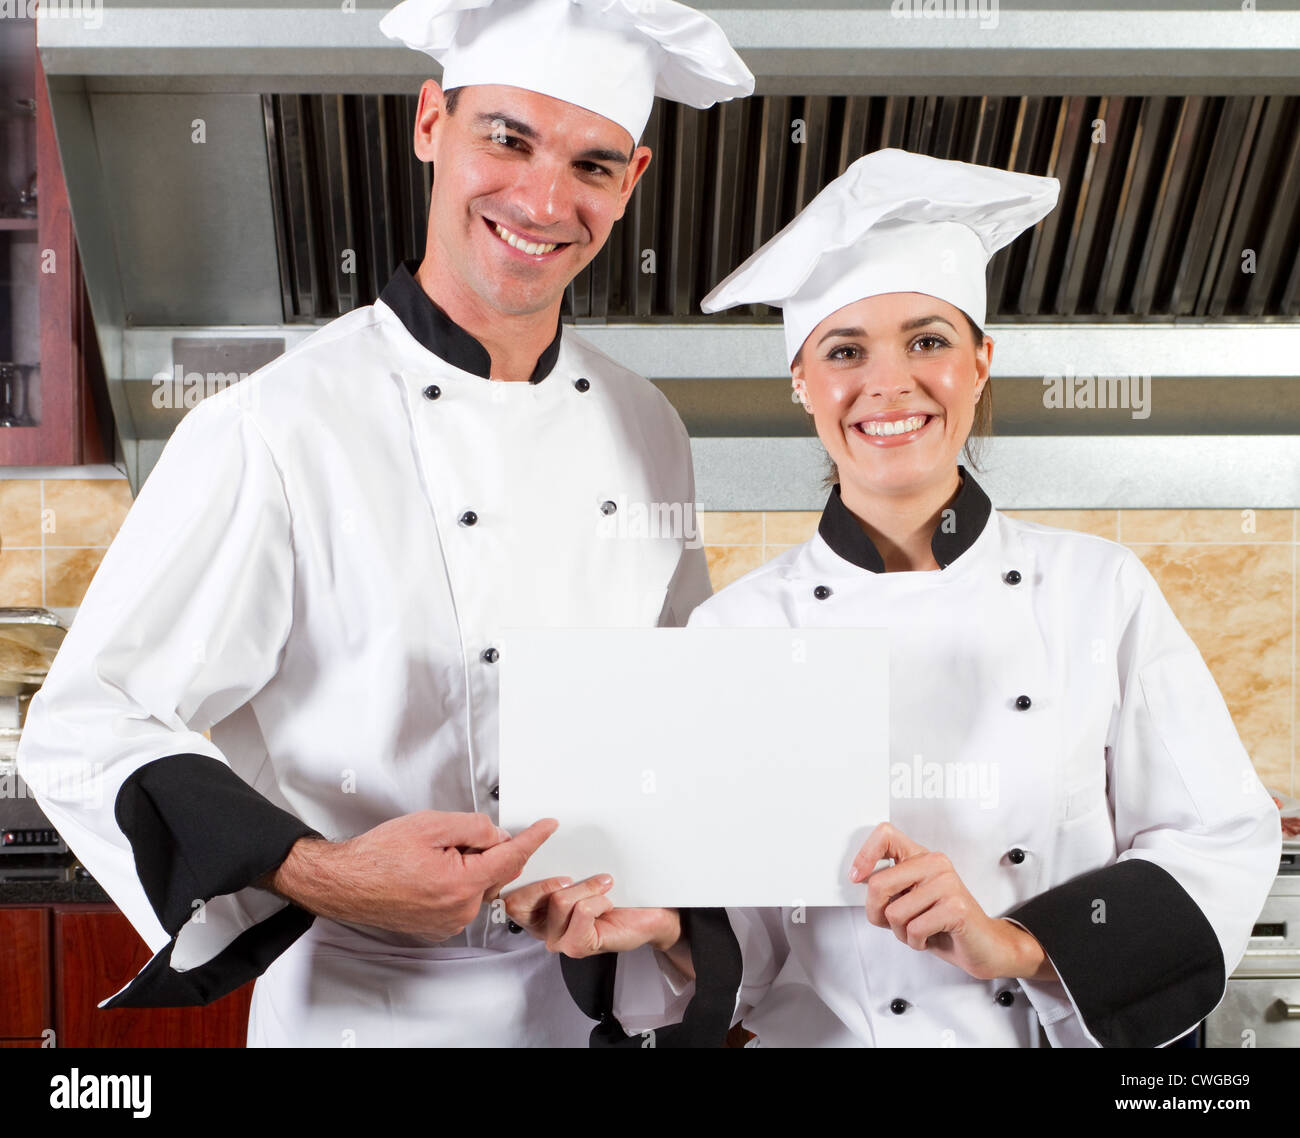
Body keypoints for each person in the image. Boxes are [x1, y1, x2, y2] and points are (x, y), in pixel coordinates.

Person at [16, 0, 752, 1047]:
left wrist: (661, 900)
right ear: (427, 124)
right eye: (507, 137)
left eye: (591, 166)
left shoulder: (646, 425)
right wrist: (328, 873)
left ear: (630, 183)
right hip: (357, 1004)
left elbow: (678, 711)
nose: (543, 199)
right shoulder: (274, 424)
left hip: (583, 1001)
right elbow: (90, 721)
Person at [505, 149, 1283, 1047]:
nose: (889, 384)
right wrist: (671, 932)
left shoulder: (1096, 591)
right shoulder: (739, 628)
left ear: (981, 362)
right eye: (844, 351)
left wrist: (1019, 943)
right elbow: (747, 948)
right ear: (802, 384)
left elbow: (1217, 835)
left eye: (928, 340)